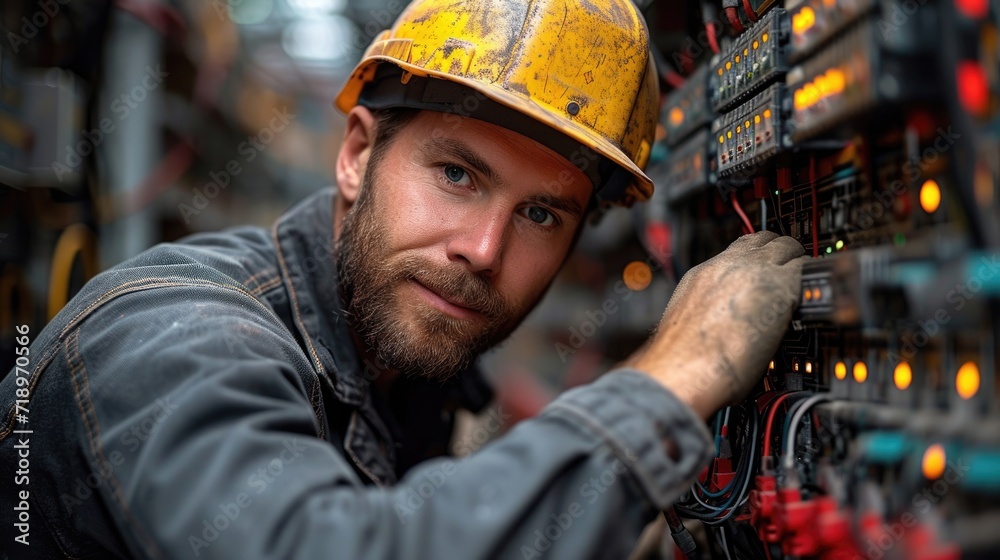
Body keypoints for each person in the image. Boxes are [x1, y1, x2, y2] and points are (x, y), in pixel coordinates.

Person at [0, 0, 806, 557]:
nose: (483, 250)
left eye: (540, 216)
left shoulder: (412, 379)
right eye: (457, 174)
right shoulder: (173, 336)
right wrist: (678, 376)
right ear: (356, 155)